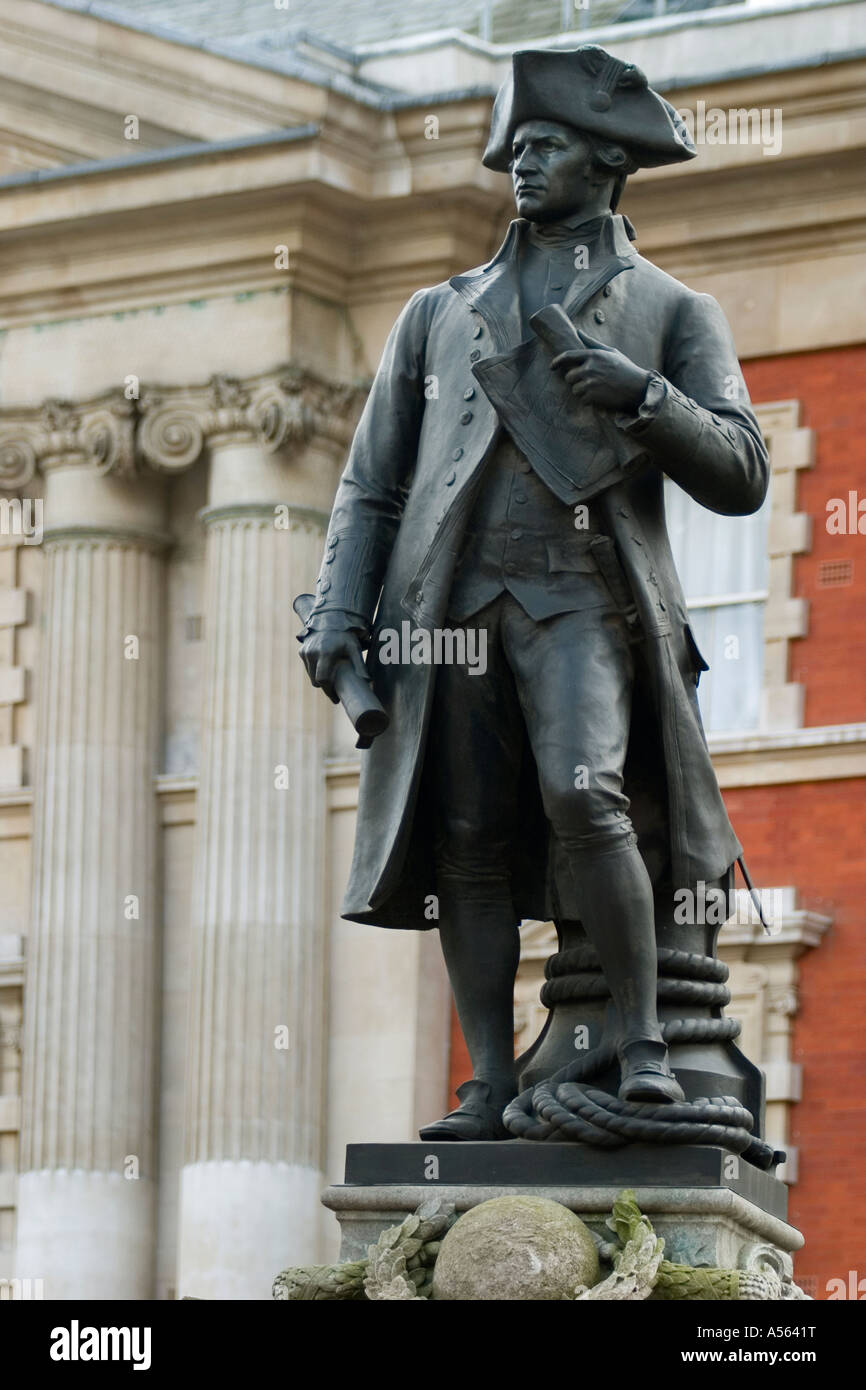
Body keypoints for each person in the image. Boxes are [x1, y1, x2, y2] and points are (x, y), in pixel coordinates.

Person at [299, 46, 769, 1140]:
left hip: (583, 600)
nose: (521, 164)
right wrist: (335, 611)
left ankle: (640, 1045)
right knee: (465, 833)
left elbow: (741, 470)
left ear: (604, 161)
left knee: (582, 792)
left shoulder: (670, 309)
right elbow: (371, 484)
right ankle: (485, 1085)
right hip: (446, 609)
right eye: (515, 148)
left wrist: (641, 397)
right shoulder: (435, 312)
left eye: (545, 146)